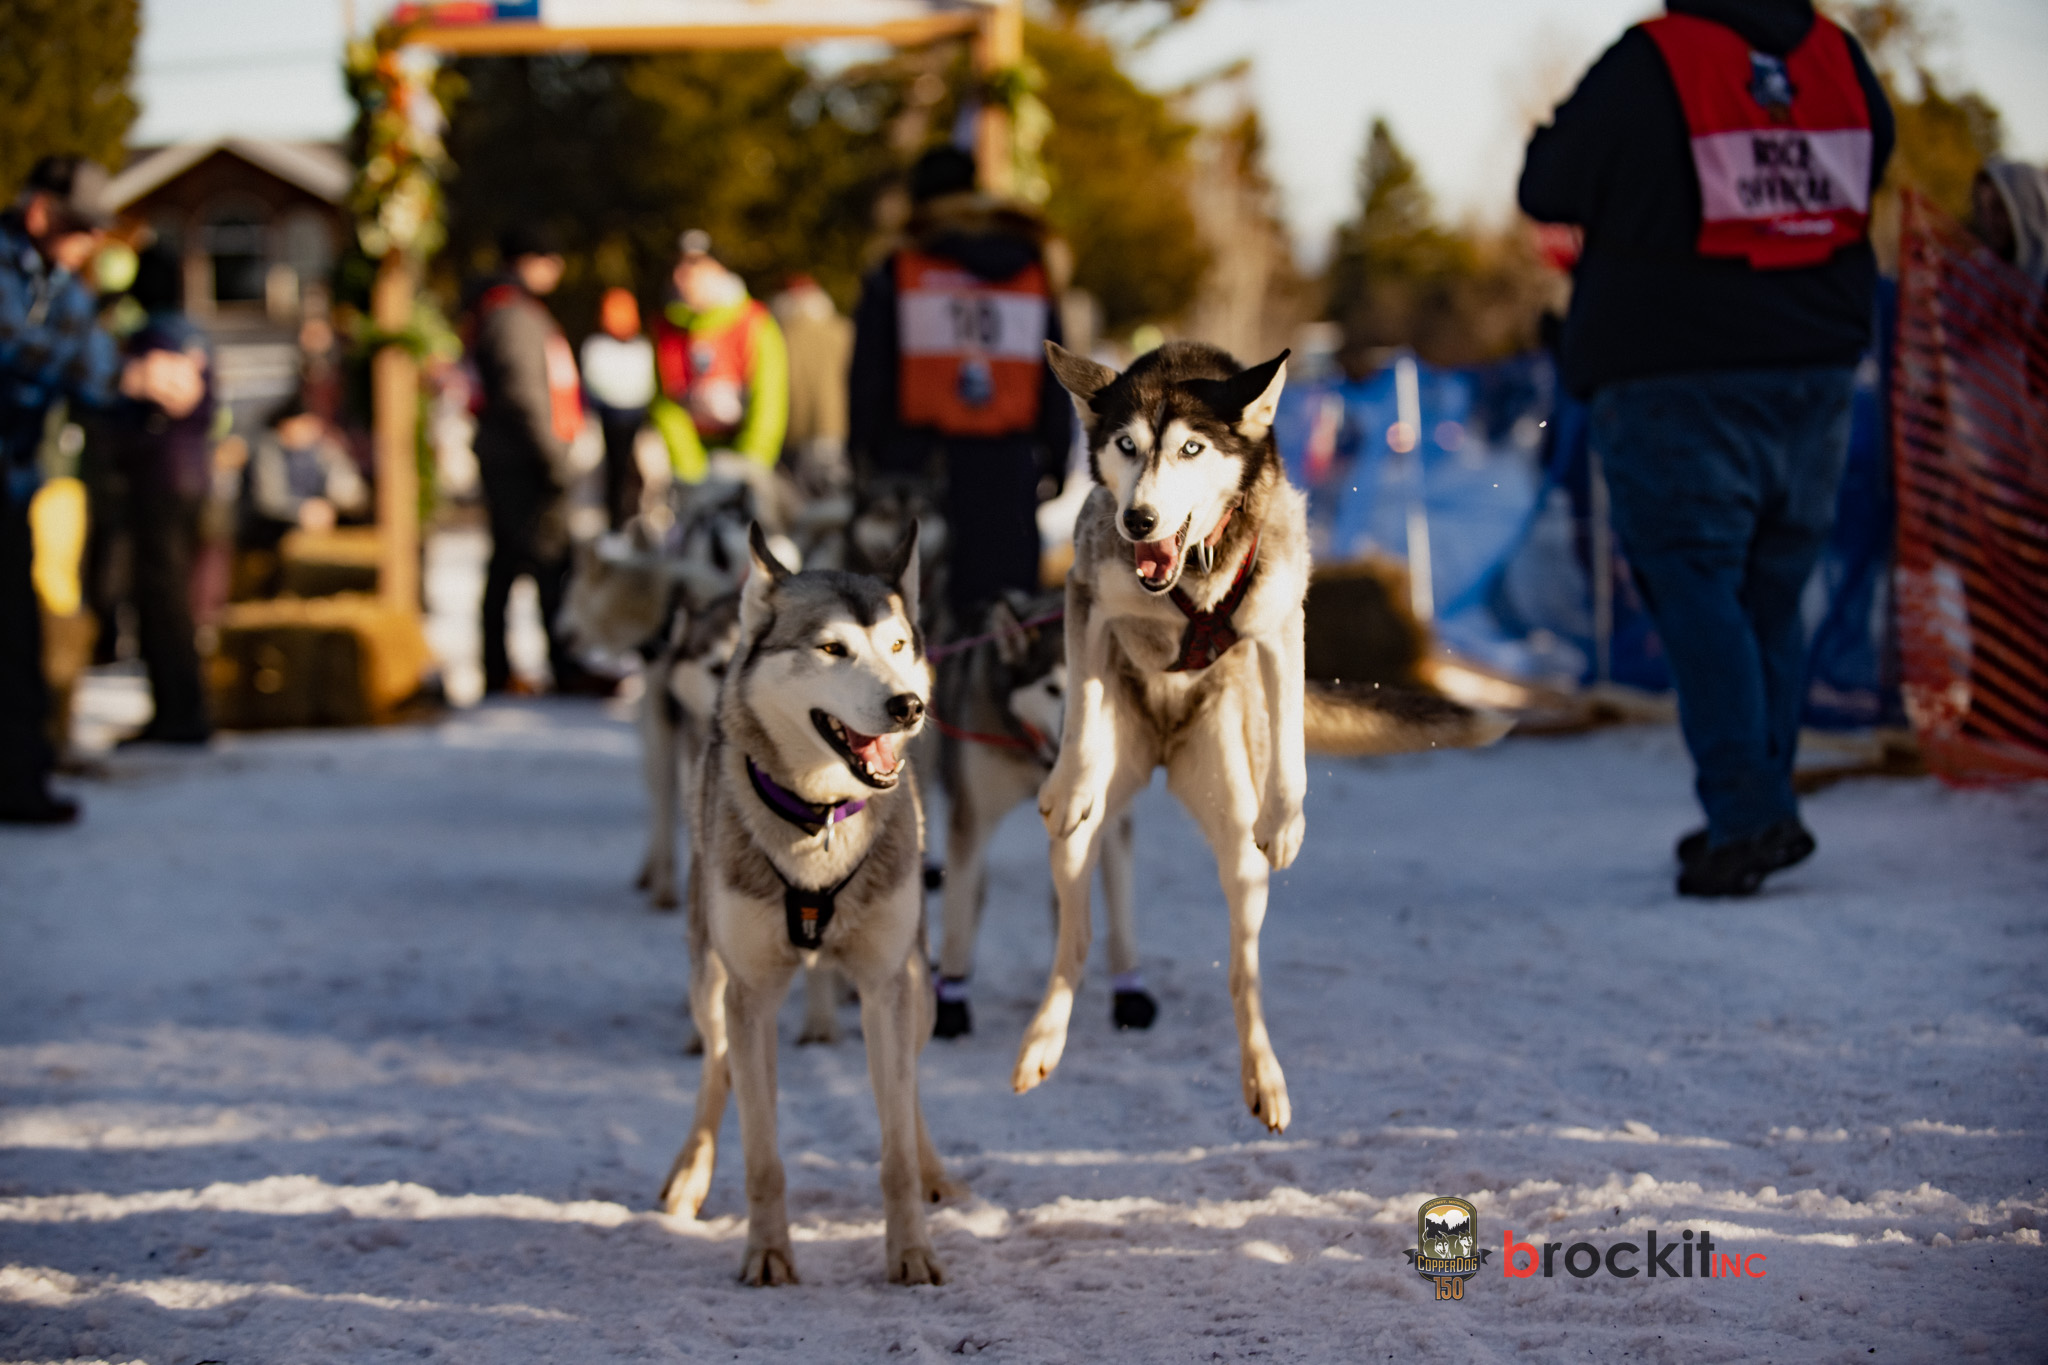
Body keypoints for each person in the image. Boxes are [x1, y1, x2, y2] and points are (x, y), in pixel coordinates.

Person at [1520, 0, 1895, 896]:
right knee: (1771, 587)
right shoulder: (1834, 55)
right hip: (1815, 366)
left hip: (1674, 371)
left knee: (1696, 585)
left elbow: (1548, 185)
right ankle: (1756, 800)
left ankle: (1749, 810)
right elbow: (1870, 161)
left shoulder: (1652, 58)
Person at [848, 145, 1072, 628]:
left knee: (910, 624)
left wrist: (861, 452)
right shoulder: (1030, 265)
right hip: (1007, 465)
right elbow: (1056, 366)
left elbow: (869, 372)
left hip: (916, 465)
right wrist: (1058, 450)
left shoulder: (901, 266)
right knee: (1001, 624)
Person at [2, 158, 120, 822]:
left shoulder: (63, 284)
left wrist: (145, 382)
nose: (90, 246)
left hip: (14, 478)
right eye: (81, 228)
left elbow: (95, 367)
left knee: (18, 634)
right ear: (43, 215)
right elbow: (11, 348)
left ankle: (19, 780)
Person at [467, 223, 593, 696]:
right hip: (522, 457)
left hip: (515, 452)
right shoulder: (511, 314)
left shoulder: (509, 309)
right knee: (543, 562)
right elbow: (523, 392)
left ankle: (509, 666)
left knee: (519, 562)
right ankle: (552, 664)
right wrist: (552, 456)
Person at [110, 244, 215, 746]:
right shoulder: (195, 332)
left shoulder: (157, 337)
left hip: (159, 476)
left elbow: (173, 394)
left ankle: (178, 713)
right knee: (175, 598)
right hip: (192, 472)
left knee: (160, 598)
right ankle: (180, 707)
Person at [649, 231, 788, 486]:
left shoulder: (754, 322)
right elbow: (666, 405)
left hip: (746, 462)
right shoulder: (665, 329)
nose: (682, 276)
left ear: (719, 270)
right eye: (678, 266)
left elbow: (768, 401)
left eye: (694, 265)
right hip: (689, 467)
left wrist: (749, 465)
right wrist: (690, 470)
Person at [246, 395, 369, 547]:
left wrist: (330, 505)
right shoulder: (270, 449)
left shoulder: (323, 448)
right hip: (274, 531)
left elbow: (352, 492)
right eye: (304, 424)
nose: (310, 430)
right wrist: (302, 510)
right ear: (286, 425)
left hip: (321, 525)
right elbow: (270, 501)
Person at [770, 274, 854, 496]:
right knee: (830, 503)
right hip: (834, 427)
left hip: (784, 432)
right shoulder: (843, 331)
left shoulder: (773, 331)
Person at [580, 286, 654, 528]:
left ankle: (634, 518)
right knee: (613, 472)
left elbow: (645, 383)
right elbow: (596, 383)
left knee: (638, 473)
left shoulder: (640, 346)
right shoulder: (597, 347)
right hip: (609, 419)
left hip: (635, 418)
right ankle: (615, 520)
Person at [1970, 159, 2048, 287]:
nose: (1988, 219)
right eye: (1981, 208)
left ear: (2028, 209)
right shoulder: (1975, 275)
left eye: (1998, 207)